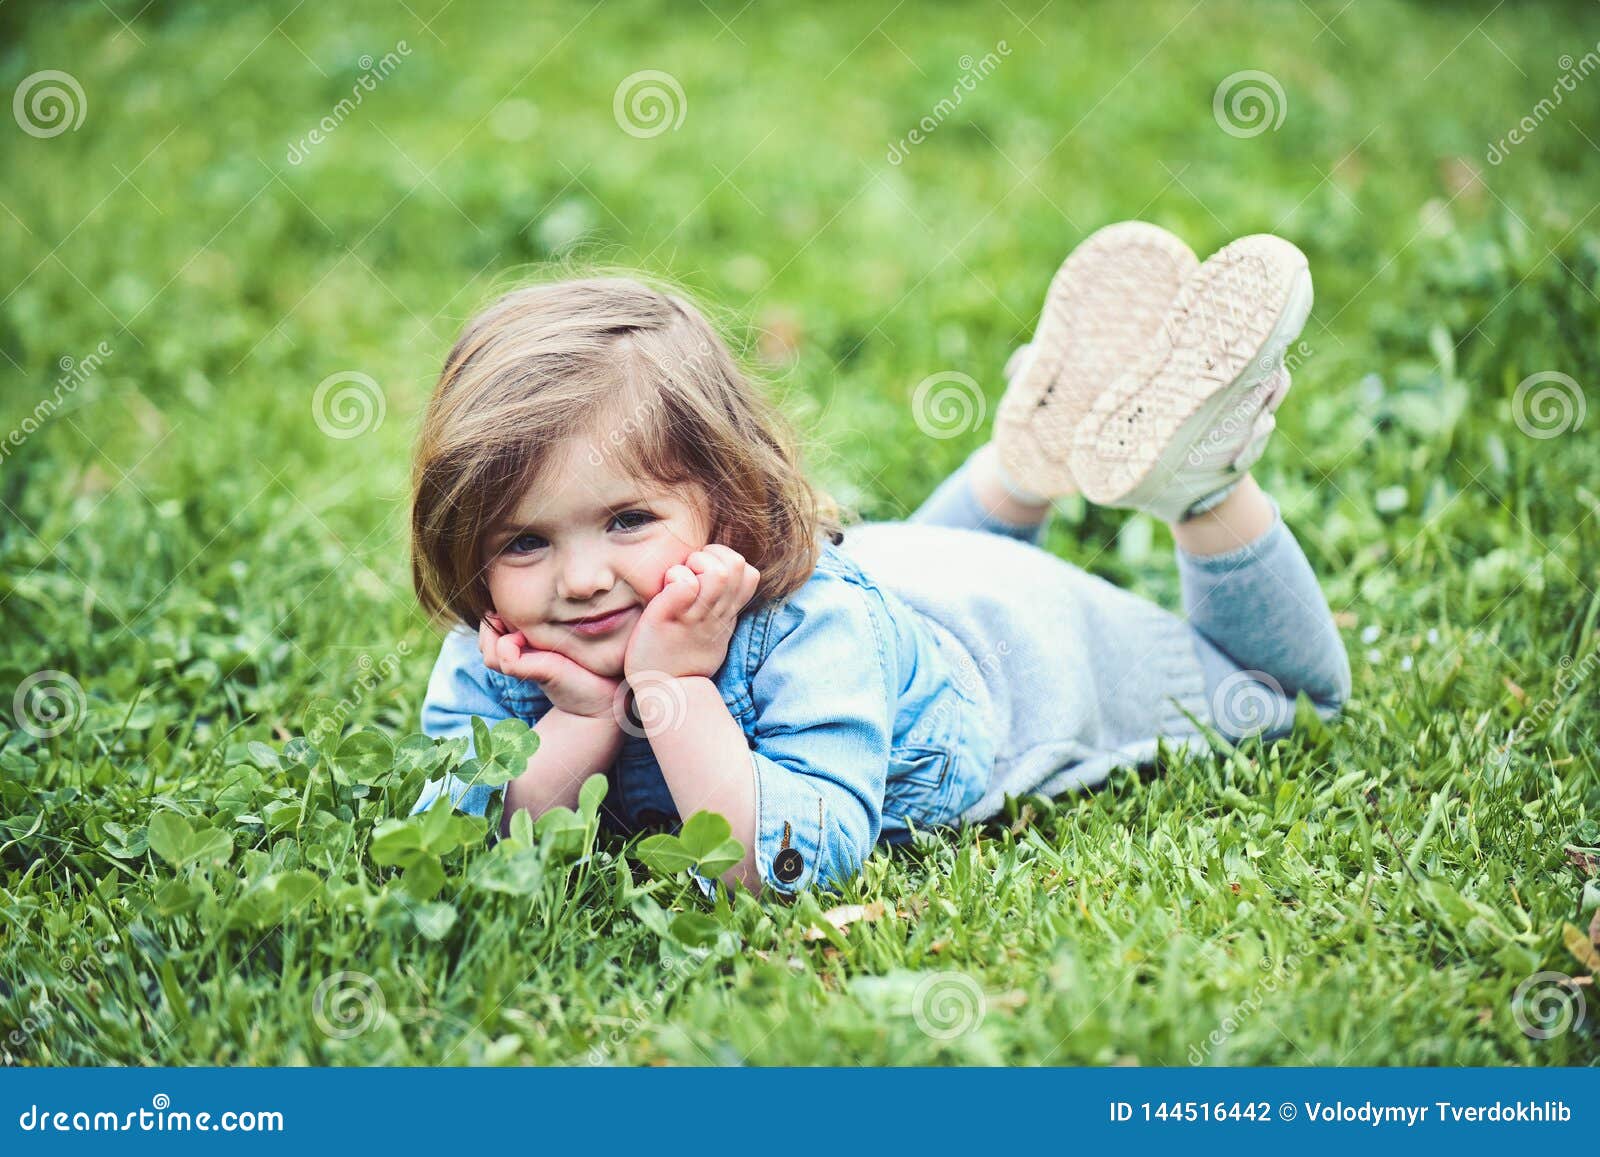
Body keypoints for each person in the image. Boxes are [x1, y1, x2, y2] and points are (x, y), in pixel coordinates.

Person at [405, 222, 1350, 898]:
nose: (579, 580)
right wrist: (580, 718)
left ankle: (1200, 486)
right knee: (910, 571)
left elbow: (788, 859)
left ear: (727, 502)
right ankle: (1021, 470)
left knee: (1285, 693)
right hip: (900, 573)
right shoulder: (506, 645)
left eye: (626, 520)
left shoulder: (811, 626)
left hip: (1005, 648)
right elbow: (457, 842)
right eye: (525, 540)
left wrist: (675, 689)